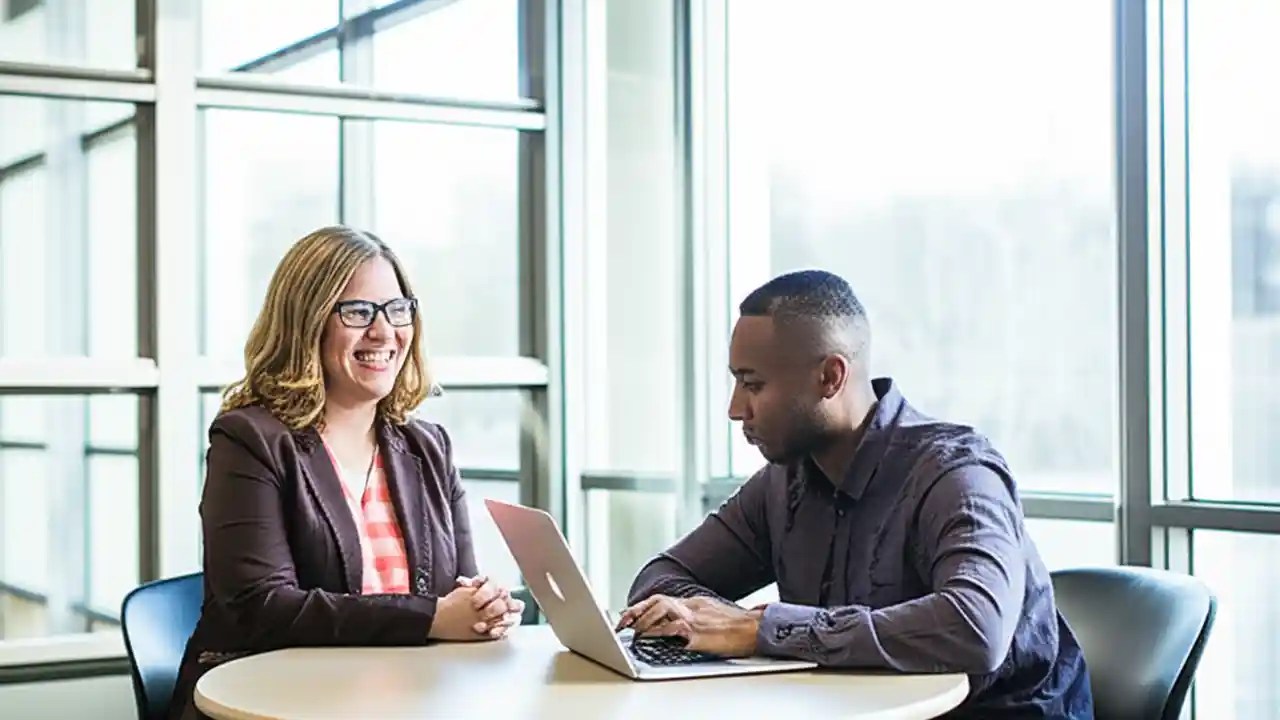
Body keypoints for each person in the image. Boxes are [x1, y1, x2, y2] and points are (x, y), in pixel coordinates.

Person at [617, 270, 1093, 718]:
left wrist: (760, 630)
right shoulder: (785, 481)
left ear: (830, 377)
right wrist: (703, 619)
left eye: (753, 384)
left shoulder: (956, 475)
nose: (735, 409)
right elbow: (661, 578)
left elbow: (975, 628)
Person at [169, 226, 523, 719]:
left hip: (402, 699)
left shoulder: (429, 447)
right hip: (268, 703)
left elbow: (456, 590)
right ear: (306, 322)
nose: (383, 332)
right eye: (357, 312)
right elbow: (262, 606)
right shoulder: (249, 439)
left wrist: (482, 608)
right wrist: (432, 618)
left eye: (398, 310)